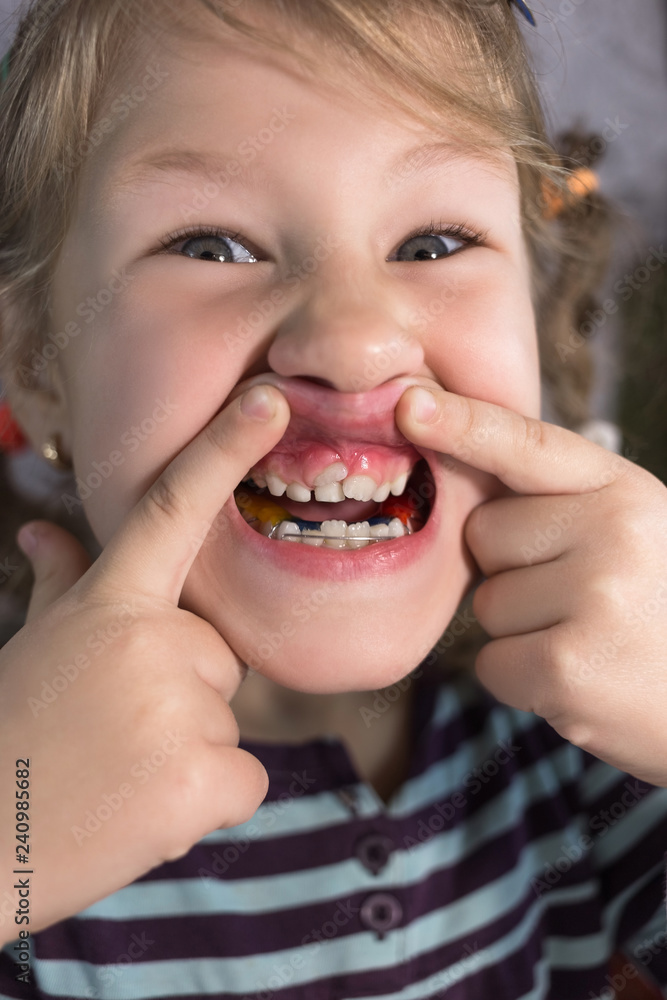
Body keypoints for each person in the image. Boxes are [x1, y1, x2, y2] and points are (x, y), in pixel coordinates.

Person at [0, 0, 666, 996]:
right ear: (36, 361)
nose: (355, 342)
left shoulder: (590, 747)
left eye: (437, 242)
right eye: (213, 246)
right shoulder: (23, 803)